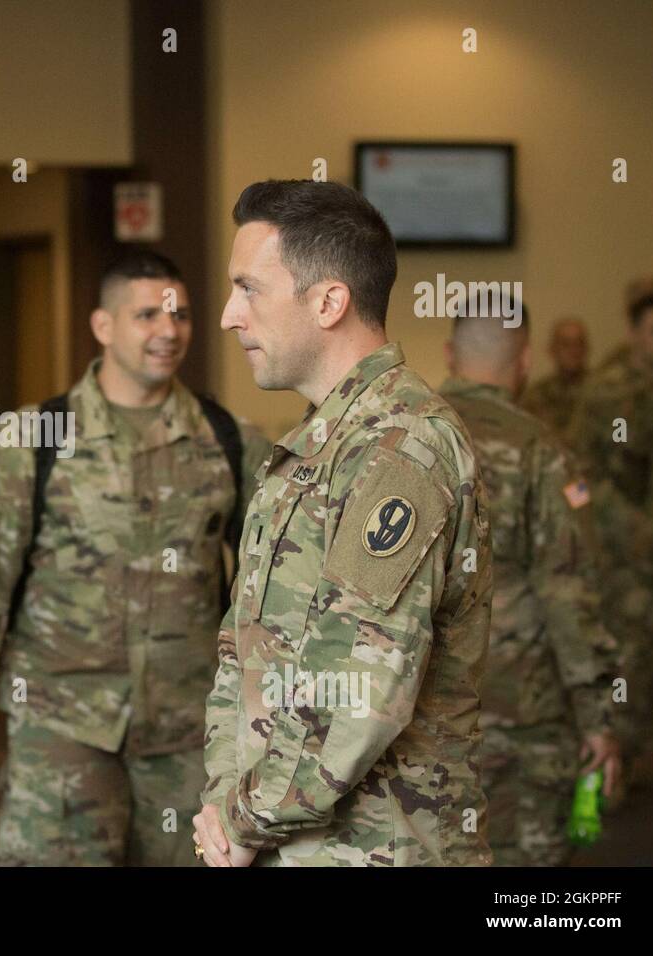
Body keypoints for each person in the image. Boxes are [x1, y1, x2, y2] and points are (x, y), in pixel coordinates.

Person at [0, 251, 271, 865]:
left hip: (188, 737)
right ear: (103, 326)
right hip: (62, 731)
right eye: (146, 315)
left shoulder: (229, 439)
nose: (168, 331)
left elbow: (267, 585)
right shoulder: (34, 439)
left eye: (181, 314)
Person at [193, 179, 493, 867]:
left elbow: (358, 687)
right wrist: (223, 806)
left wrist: (243, 820)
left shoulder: (403, 447)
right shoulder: (317, 444)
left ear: (329, 301)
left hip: (376, 849)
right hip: (280, 841)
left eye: (248, 289)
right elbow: (244, 653)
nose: (228, 316)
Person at [438, 305, 621, 865]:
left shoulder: (401, 438)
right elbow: (568, 594)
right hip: (523, 717)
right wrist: (600, 720)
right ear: (525, 363)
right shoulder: (543, 452)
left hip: (420, 722)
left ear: (449, 356)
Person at [570, 292, 653, 786]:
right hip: (630, 563)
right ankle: (615, 771)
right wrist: (633, 529)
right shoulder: (609, 396)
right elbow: (580, 475)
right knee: (629, 671)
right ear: (633, 335)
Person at [520, 317, 588, 441]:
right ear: (552, 350)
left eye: (579, 343)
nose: (573, 351)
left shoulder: (603, 392)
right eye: (566, 344)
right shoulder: (535, 397)